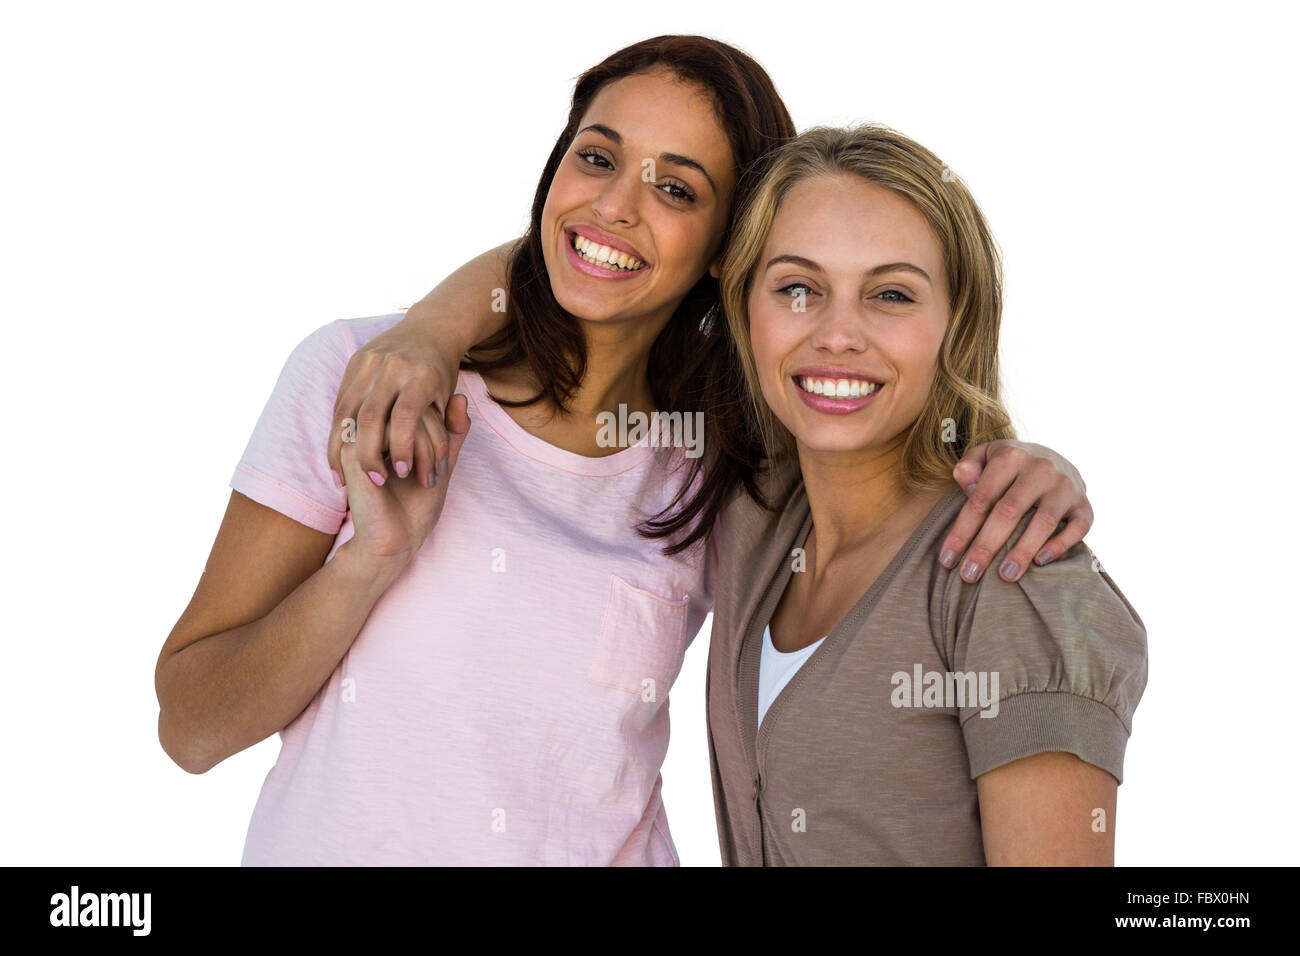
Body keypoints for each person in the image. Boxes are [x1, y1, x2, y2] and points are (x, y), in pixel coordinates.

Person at [156, 36, 1094, 866]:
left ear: (734, 247)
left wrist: (1024, 461)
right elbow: (192, 729)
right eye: (596, 157)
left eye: (676, 187)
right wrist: (368, 563)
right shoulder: (370, 382)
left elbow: (876, 467)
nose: (614, 206)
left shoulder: (723, 468)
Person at [706, 124, 1147, 865]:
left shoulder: (1011, 576)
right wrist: (433, 333)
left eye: (890, 294)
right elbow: (596, 287)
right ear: (745, 308)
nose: (838, 334)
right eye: (797, 288)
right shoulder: (755, 512)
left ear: (956, 323)